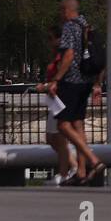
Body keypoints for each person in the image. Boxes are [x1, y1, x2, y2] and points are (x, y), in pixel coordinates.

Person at [47, 0, 106, 186]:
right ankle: (80, 172)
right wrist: (97, 82)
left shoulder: (69, 27)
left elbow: (69, 55)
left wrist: (56, 79)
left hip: (71, 81)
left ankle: (93, 161)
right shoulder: (87, 26)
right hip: (86, 81)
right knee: (78, 125)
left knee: (63, 125)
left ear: (66, 10)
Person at [34, 25, 73, 185]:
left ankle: (65, 172)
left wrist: (44, 87)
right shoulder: (58, 55)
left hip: (59, 99)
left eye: (51, 39)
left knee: (59, 138)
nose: (49, 42)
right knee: (52, 138)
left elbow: (60, 78)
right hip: (54, 99)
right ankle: (72, 166)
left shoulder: (62, 57)